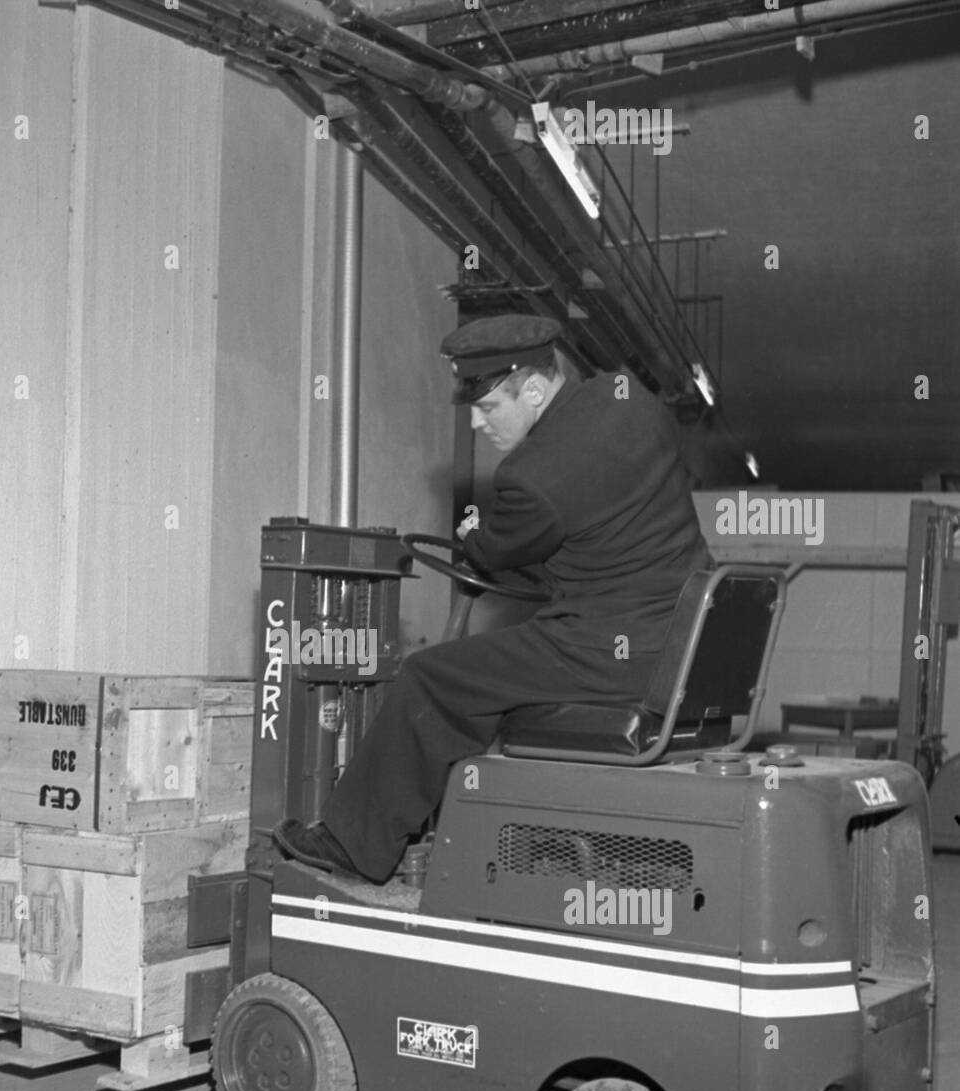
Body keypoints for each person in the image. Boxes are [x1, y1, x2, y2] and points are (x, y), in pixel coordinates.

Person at [273, 313, 713, 884]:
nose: (478, 423)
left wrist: (473, 533)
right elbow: (597, 521)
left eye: (488, 407)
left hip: (608, 653)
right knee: (493, 674)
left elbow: (493, 551)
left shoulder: (531, 477)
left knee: (429, 677)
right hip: (683, 641)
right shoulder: (630, 398)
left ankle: (353, 845)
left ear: (534, 388)